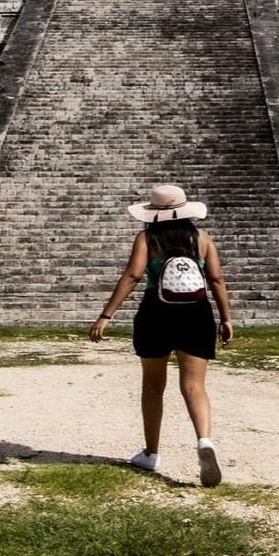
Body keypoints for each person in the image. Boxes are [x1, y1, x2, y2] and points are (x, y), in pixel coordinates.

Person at [88, 184, 233, 488]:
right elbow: (216, 279)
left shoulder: (147, 238)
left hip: (156, 312)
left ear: (154, 212)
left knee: (153, 386)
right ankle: (204, 439)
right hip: (197, 313)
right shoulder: (202, 240)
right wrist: (226, 318)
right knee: (194, 385)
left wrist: (106, 315)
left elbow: (133, 275)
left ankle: (151, 453)